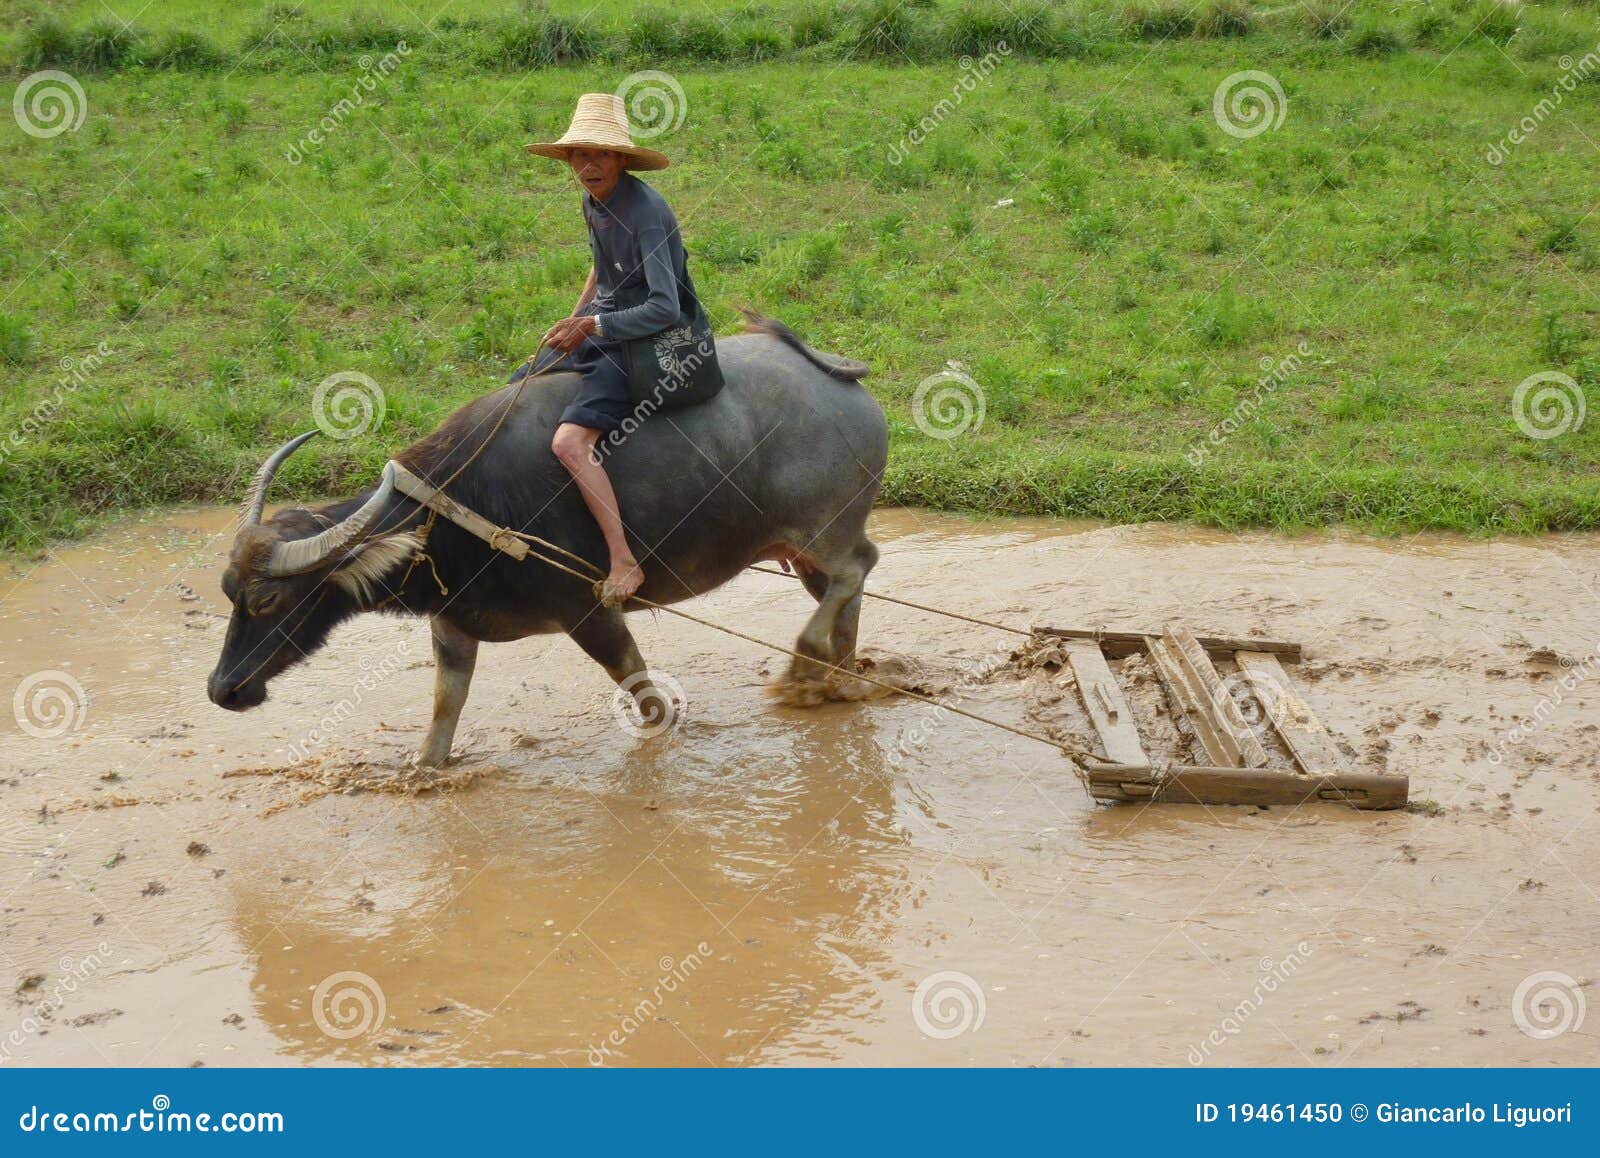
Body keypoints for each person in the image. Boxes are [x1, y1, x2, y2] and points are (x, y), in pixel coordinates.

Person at [523, 92, 698, 607]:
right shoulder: (591, 198)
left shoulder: (646, 211)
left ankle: (623, 558)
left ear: (623, 158)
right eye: (579, 155)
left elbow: (666, 307)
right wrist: (574, 320)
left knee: (568, 443)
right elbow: (601, 268)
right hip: (607, 324)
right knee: (523, 384)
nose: (588, 165)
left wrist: (593, 326)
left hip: (654, 337)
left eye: (600, 154)